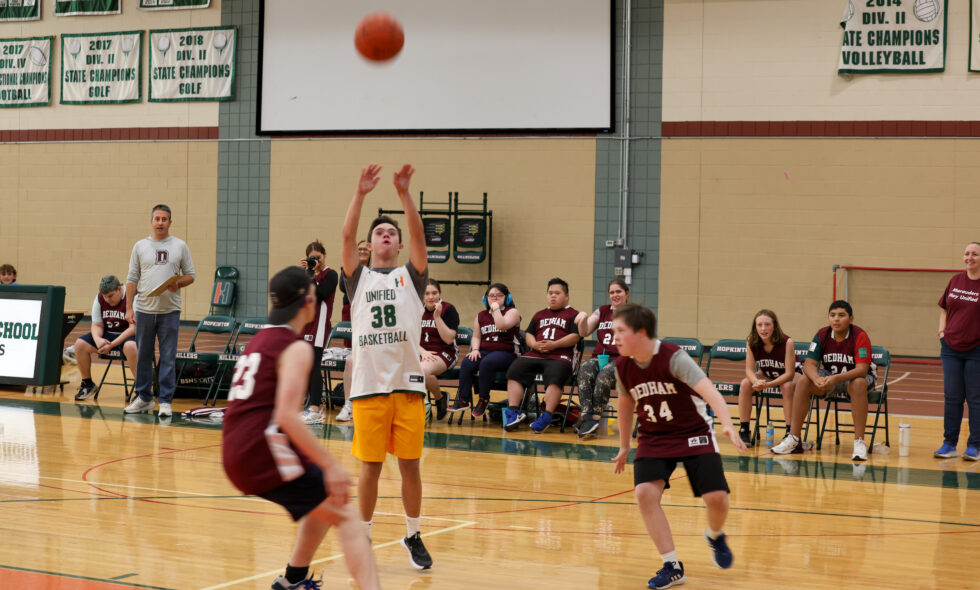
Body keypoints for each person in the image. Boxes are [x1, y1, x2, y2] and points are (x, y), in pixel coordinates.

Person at [222, 266, 380, 590]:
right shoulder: (296, 347)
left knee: (324, 497)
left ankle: (292, 579)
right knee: (346, 510)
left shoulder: (257, 341)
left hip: (233, 449)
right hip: (258, 450)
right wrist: (332, 464)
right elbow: (287, 416)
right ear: (309, 302)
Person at [610, 303, 746, 589]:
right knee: (645, 493)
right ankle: (672, 565)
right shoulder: (622, 366)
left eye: (621, 331)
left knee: (717, 499)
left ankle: (714, 535)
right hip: (654, 436)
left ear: (641, 332)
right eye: (614, 332)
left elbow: (712, 394)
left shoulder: (674, 358)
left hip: (693, 431)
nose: (615, 337)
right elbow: (625, 404)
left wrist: (729, 425)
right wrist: (624, 445)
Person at [341, 163, 433, 569]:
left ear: (397, 246)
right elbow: (345, 235)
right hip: (368, 387)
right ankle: (363, 537)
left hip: (408, 385)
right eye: (380, 232)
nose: (387, 235)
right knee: (371, 469)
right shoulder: (356, 279)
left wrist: (403, 195)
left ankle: (413, 534)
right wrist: (360, 194)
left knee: (410, 467)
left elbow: (418, 234)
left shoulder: (410, 278)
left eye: (391, 234)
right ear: (370, 244)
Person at [772, 300, 875, 460]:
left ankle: (859, 442)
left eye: (841, 315)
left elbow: (862, 370)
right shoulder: (822, 334)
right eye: (832, 315)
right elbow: (809, 364)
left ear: (851, 318)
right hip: (830, 378)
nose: (836, 319)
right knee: (804, 381)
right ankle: (794, 439)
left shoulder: (860, 335)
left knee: (858, 384)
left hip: (856, 379)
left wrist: (835, 378)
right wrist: (817, 378)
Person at [123, 204, 196, 417]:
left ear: (170, 222)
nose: (160, 223)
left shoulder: (180, 246)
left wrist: (178, 283)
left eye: (164, 219)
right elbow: (131, 278)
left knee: (167, 356)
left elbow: (190, 275)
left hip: (170, 311)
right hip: (144, 309)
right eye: (157, 219)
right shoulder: (139, 246)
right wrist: (129, 308)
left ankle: (165, 401)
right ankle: (144, 398)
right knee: (143, 355)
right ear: (151, 221)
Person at [503, 278, 586, 434]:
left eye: (557, 293)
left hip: (561, 356)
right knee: (515, 368)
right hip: (536, 354)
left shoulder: (574, 314)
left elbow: (576, 336)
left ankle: (547, 416)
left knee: (556, 373)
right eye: (550, 293)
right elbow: (529, 334)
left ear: (567, 296)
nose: (553, 296)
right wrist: (534, 345)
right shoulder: (539, 314)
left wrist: (554, 345)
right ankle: (514, 412)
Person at [935, 242, 980, 461]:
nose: (969, 257)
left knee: (975, 398)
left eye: (975, 254)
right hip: (951, 348)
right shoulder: (955, 280)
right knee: (952, 397)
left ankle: (974, 446)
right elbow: (944, 307)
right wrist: (942, 331)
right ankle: (949, 444)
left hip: (976, 350)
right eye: (967, 253)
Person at [449, 283, 521, 418]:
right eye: (491, 296)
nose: (495, 298)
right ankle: (463, 399)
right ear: (485, 298)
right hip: (486, 351)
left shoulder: (512, 312)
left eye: (499, 296)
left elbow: (501, 324)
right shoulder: (481, 315)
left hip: (508, 353)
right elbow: (476, 336)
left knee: (487, 362)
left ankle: (483, 399)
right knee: (467, 362)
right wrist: (475, 349)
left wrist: (495, 310)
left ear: (507, 298)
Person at [574, 279, 630, 439]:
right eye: (612, 292)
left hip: (623, 360)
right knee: (585, 369)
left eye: (618, 291)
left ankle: (595, 418)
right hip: (602, 357)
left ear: (626, 293)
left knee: (604, 375)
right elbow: (584, 332)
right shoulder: (603, 311)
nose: (615, 295)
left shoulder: (633, 313)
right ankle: (586, 418)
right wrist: (583, 318)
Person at [736, 310, 796, 446]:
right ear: (755, 327)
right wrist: (756, 381)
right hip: (767, 374)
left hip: (790, 376)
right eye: (760, 325)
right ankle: (744, 429)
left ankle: (790, 432)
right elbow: (749, 370)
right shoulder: (751, 341)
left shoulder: (787, 342)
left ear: (774, 325)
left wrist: (767, 385)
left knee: (786, 386)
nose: (763, 329)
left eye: (767, 324)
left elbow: (789, 374)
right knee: (745, 384)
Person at [73, 275, 138, 401]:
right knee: (80, 344)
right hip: (109, 335)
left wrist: (112, 344)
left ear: (119, 289)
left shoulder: (133, 297)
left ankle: (141, 390)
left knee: (131, 347)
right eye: (104, 296)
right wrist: (98, 340)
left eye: (110, 296)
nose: (107, 300)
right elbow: (96, 325)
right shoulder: (99, 299)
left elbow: (133, 328)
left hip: (129, 336)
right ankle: (88, 384)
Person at [298, 240, 339, 425]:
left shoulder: (331, 274)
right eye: (312, 258)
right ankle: (309, 405)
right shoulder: (306, 275)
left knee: (315, 365)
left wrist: (310, 275)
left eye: (318, 257)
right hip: (305, 324)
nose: (316, 260)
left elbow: (320, 294)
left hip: (319, 325)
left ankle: (316, 408)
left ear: (324, 256)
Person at [335, 241, 372, 422]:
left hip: (369, 314)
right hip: (351, 310)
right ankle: (349, 402)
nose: (363, 251)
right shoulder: (349, 268)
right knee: (352, 355)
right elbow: (343, 286)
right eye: (359, 249)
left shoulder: (375, 271)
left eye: (365, 249)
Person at [419, 279, 459, 421]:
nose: (430, 297)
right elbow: (409, 337)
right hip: (422, 352)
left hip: (445, 352)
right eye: (427, 293)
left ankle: (436, 400)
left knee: (422, 370)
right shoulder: (417, 309)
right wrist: (422, 352)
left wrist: (436, 317)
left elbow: (448, 339)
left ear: (440, 293)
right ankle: (437, 398)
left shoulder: (448, 309)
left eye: (434, 293)